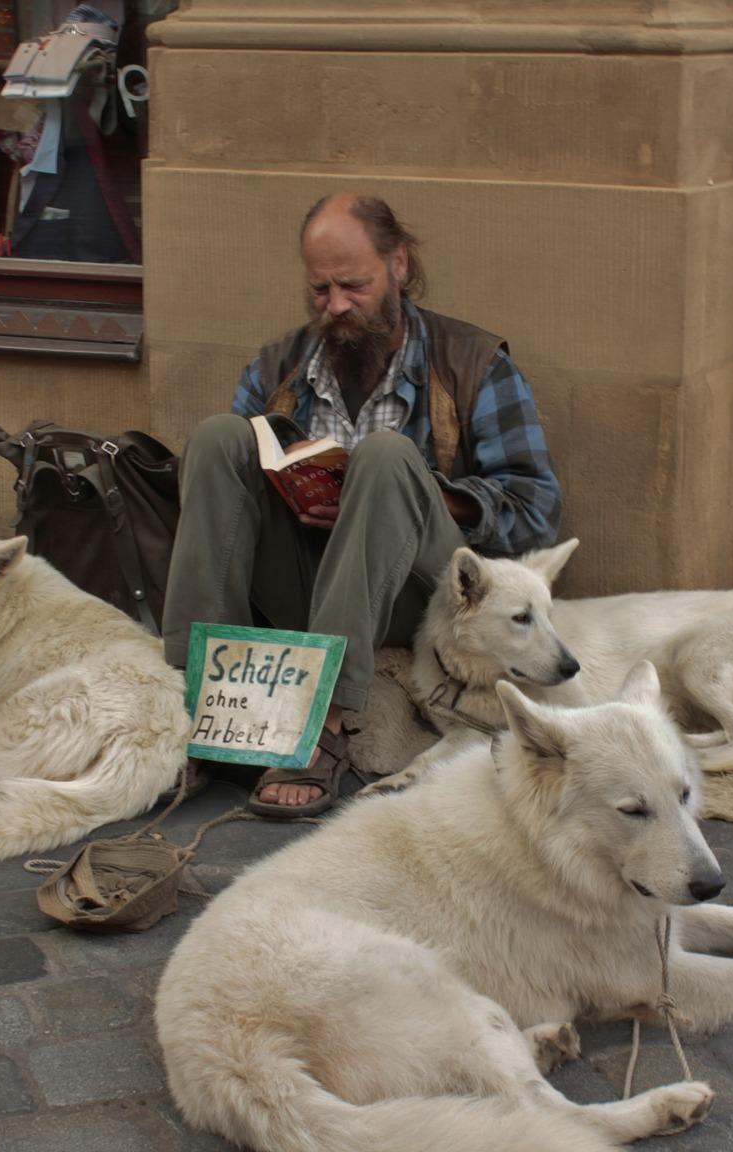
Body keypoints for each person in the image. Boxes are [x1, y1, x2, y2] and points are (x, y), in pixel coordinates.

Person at [162, 192, 561, 816]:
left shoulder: (475, 363)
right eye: (320, 290)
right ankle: (195, 706)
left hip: (412, 594)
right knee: (216, 438)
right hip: (300, 581)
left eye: (354, 284)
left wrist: (422, 494)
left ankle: (325, 724)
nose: (337, 305)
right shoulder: (278, 364)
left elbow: (536, 507)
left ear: (399, 266)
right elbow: (233, 493)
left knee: (383, 456)